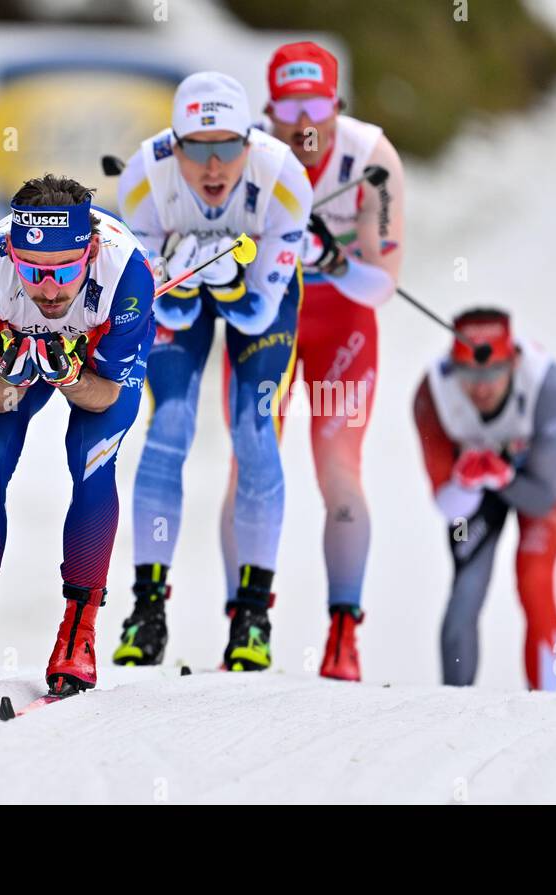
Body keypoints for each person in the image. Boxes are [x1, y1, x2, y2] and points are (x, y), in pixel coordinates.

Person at [215, 40, 406, 681]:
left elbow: (383, 284)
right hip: (266, 321)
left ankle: (343, 633)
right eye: (290, 107)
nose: (303, 123)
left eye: (316, 104)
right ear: (268, 111)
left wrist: (332, 262)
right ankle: (245, 622)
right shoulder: (246, 156)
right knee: (250, 463)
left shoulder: (370, 158)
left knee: (338, 471)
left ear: (337, 105)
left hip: (342, 329)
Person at [0, 174, 156, 695]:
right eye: (33, 272)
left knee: (94, 461)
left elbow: (107, 396)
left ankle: (78, 633)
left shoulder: (129, 274)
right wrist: (9, 375)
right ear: (12, 253)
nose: (49, 289)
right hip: (19, 350)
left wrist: (70, 376)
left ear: (91, 251)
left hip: (95, 358)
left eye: (64, 271)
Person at [113, 72, 312, 671]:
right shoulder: (143, 179)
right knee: (168, 426)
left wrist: (218, 277)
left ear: (251, 142)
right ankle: (146, 611)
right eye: (197, 149)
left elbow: (255, 315)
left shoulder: (284, 180)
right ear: (174, 147)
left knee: (255, 434)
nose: (214, 164)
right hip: (191, 290)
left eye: (228, 146)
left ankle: (252, 616)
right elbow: (167, 306)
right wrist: (185, 274)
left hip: (257, 297)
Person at [413, 308, 556, 689]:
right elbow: (444, 505)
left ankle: (547, 703)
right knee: (467, 586)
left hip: (536, 477)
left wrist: (503, 475)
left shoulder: (548, 386)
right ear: (454, 368)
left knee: (534, 578)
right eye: (469, 375)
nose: (481, 388)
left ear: (514, 363)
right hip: (476, 485)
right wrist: (468, 482)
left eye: (492, 374)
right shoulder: (431, 394)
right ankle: (453, 702)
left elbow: (541, 499)